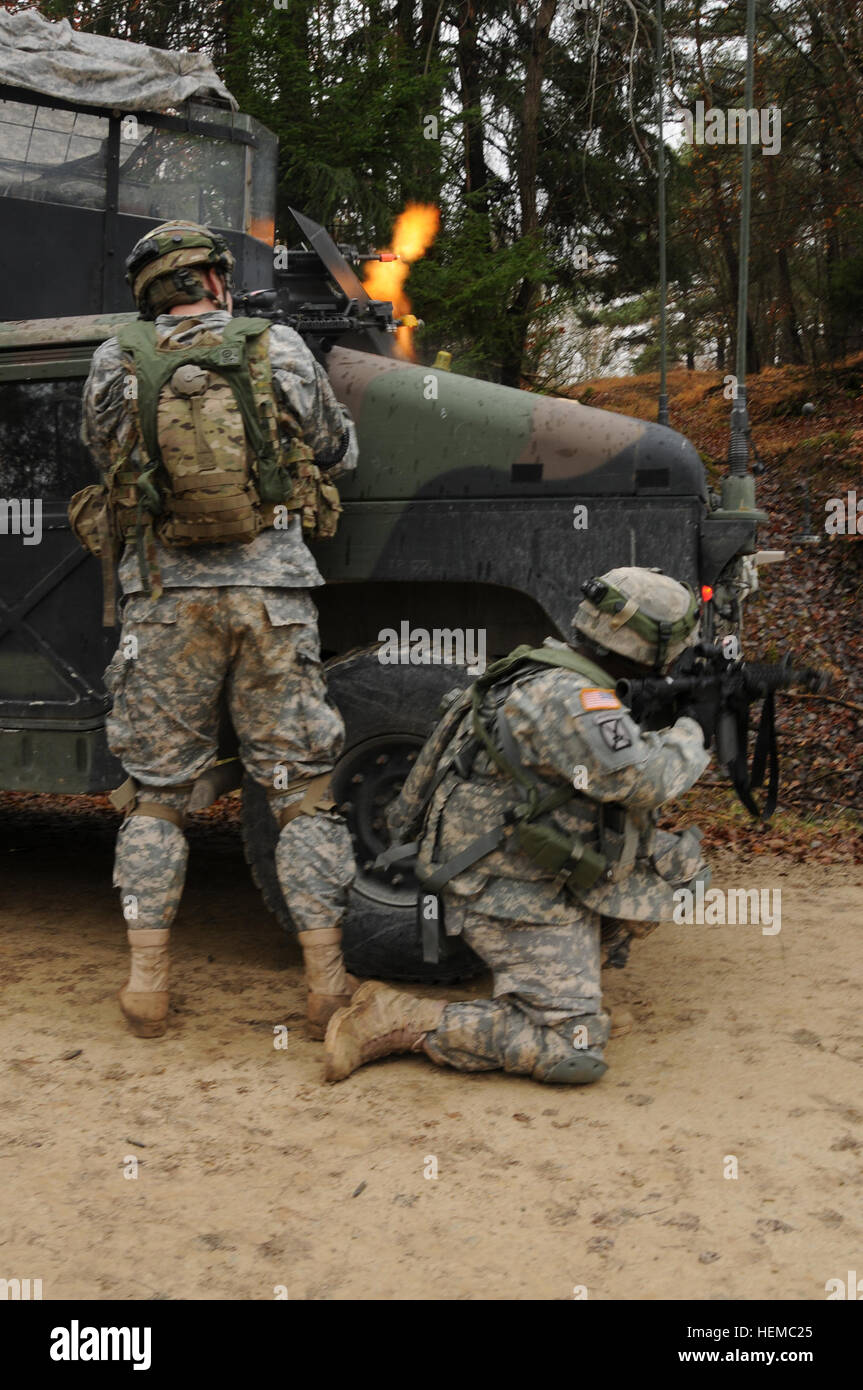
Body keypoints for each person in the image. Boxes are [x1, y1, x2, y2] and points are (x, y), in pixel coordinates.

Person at [79, 220, 358, 1040]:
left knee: (156, 798)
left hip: (163, 598)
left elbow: (103, 456)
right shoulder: (275, 345)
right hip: (270, 594)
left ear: (147, 289)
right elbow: (336, 449)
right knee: (299, 791)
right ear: (214, 280)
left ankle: (147, 986)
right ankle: (324, 985)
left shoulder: (113, 359)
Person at [324, 567, 715, 1085]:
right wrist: (697, 727)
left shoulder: (556, 668)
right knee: (571, 1050)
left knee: (681, 867)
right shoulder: (573, 699)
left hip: (534, 859)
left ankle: (569, 987)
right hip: (500, 883)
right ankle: (399, 1017)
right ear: (651, 645)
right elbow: (646, 781)